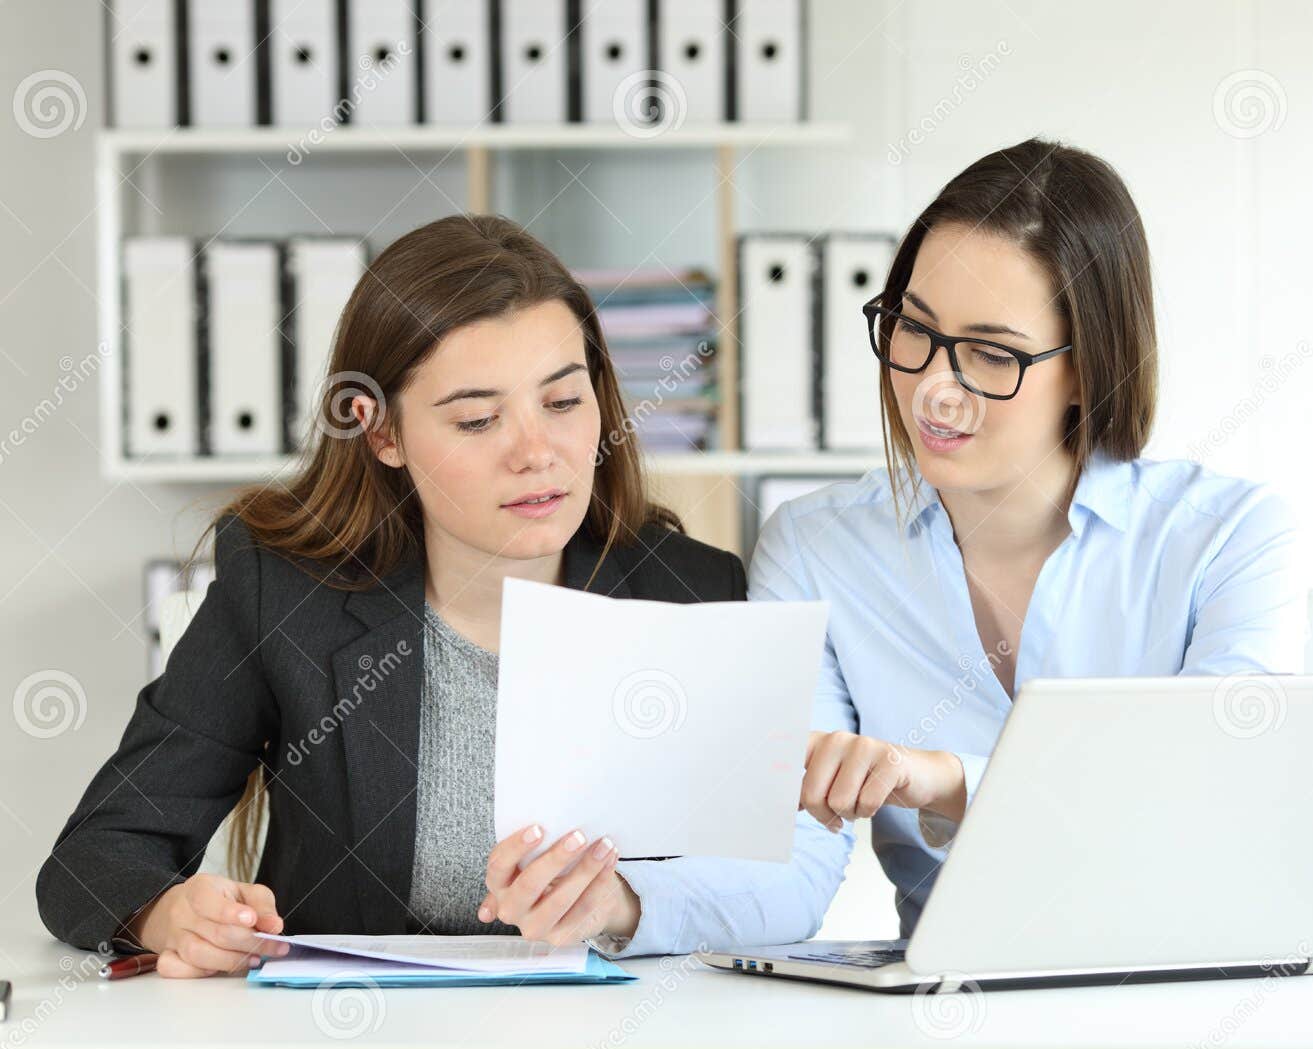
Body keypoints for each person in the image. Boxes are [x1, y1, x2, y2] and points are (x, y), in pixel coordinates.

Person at [36, 215, 850, 977]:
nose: (538, 452)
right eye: (475, 420)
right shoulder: (286, 590)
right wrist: (169, 912)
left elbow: (769, 889)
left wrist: (629, 909)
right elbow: (97, 854)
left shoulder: (695, 591)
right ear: (382, 433)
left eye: (564, 401)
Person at [749, 139, 1305, 935]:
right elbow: (791, 864)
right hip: (947, 1021)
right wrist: (629, 909)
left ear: (1088, 366)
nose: (936, 389)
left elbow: (1206, 802)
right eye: (915, 330)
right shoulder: (813, 549)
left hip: (1189, 998)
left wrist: (945, 779)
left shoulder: (1229, 539)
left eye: (990, 353)